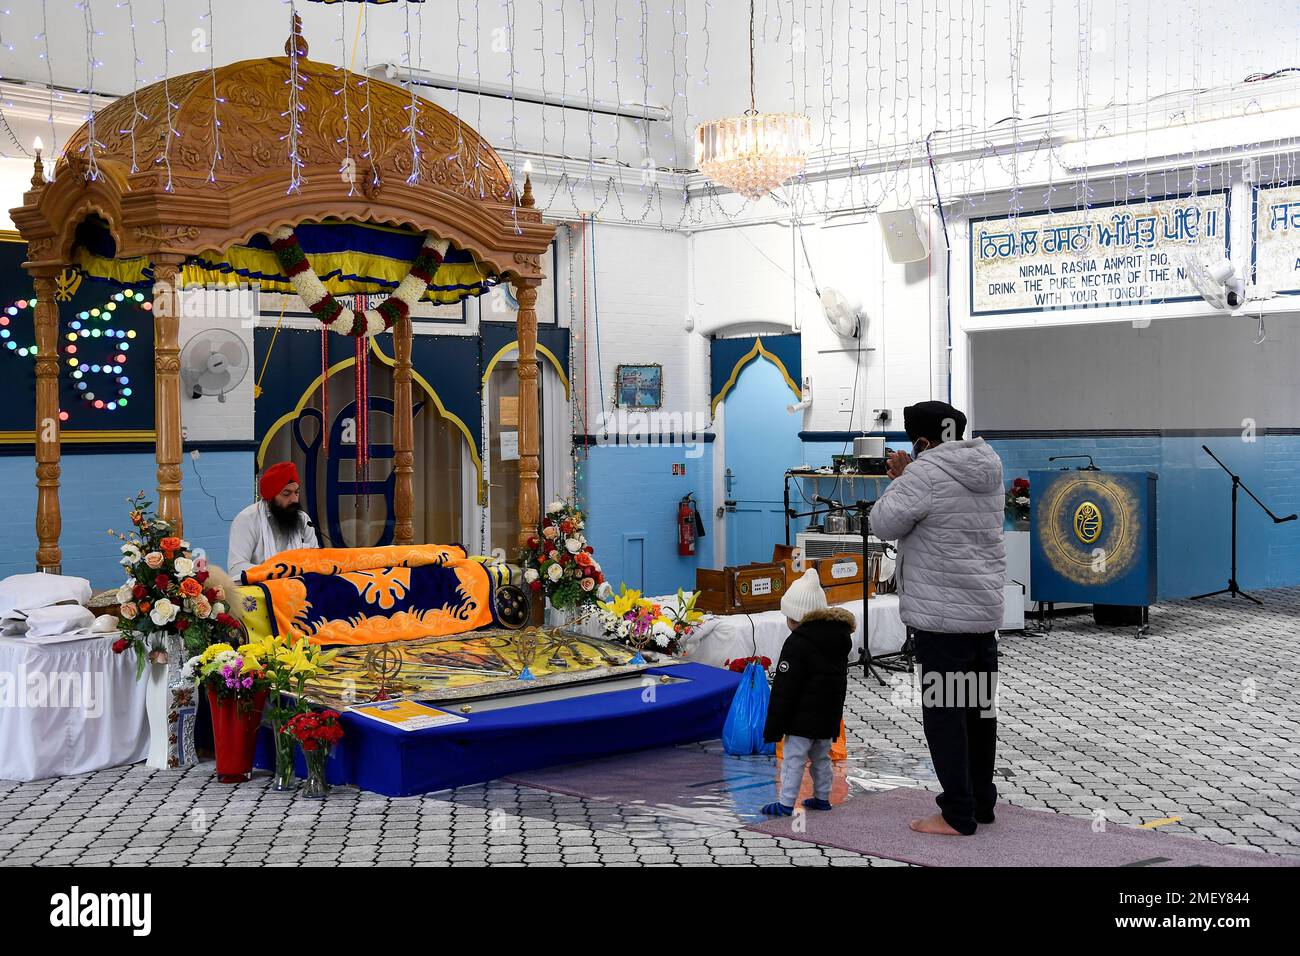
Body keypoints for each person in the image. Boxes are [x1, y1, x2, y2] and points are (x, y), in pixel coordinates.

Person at [870, 400, 1006, 837]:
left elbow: (882, 524)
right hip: (983, 614)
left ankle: (956, 814)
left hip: (941, 621)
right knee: (978, 712)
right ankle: (981, 803)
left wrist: (903, 475)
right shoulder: (989, 465)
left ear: (923, 441)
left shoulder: (924, 474)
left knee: (945, 713)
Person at [760, 568, 855, 817]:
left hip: (799, 721)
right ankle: (822, 798)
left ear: (794, 617)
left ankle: (786, 803)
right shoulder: (839, 639)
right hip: (827, 718)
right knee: (821, 759)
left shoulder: (796, 643)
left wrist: (774, 727)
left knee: (794, 760)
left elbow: (784, 689)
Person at [227, 461, 319, 580]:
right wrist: (278, 572)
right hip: (260, 591)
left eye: (296, 492)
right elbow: (235, 568)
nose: (294, 500)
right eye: (286, 494)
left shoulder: (303, 520)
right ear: (271, 497)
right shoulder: (247, 519)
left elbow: (316, 560)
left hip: (301, 589)